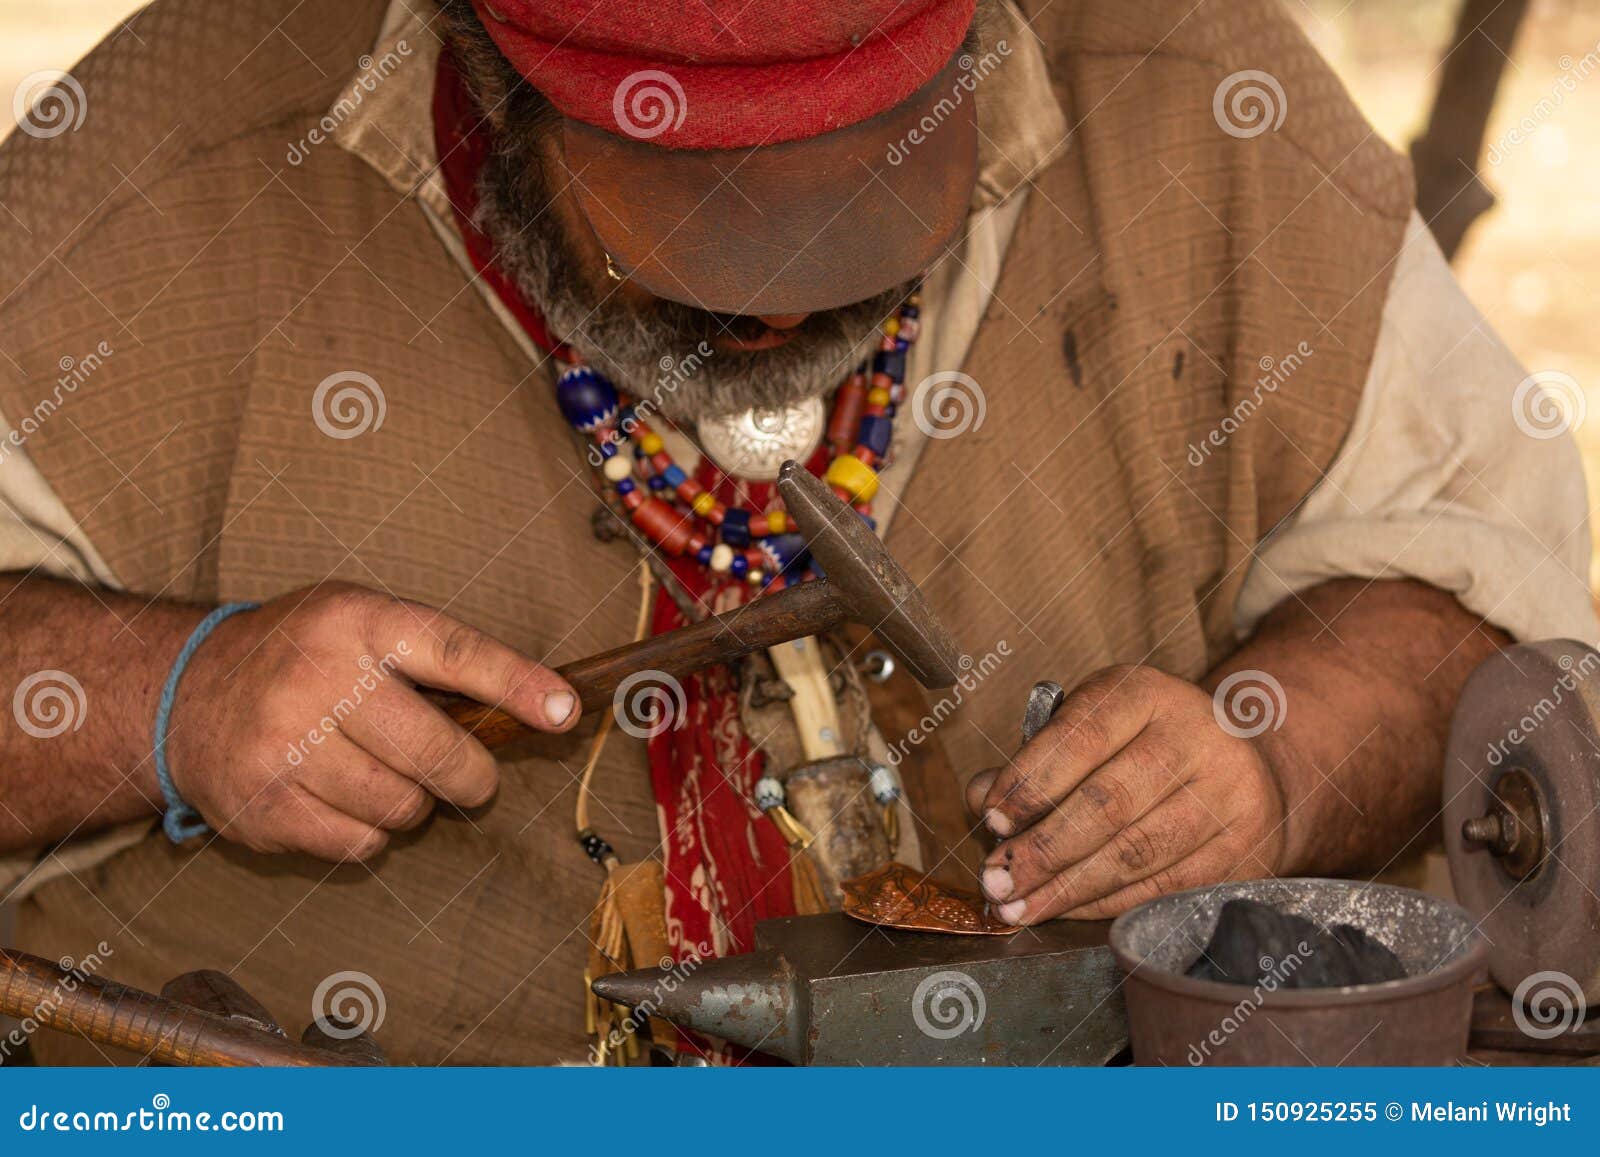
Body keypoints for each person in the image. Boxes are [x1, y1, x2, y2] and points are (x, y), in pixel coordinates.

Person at [0, 0, 1590, 1064]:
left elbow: (1479, 597)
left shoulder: (1190, 97)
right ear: (482, 64)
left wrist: (1278, 759)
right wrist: (167, 690)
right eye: (685, 211)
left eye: (855, 192)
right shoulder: (152, 181)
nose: (776, 298)